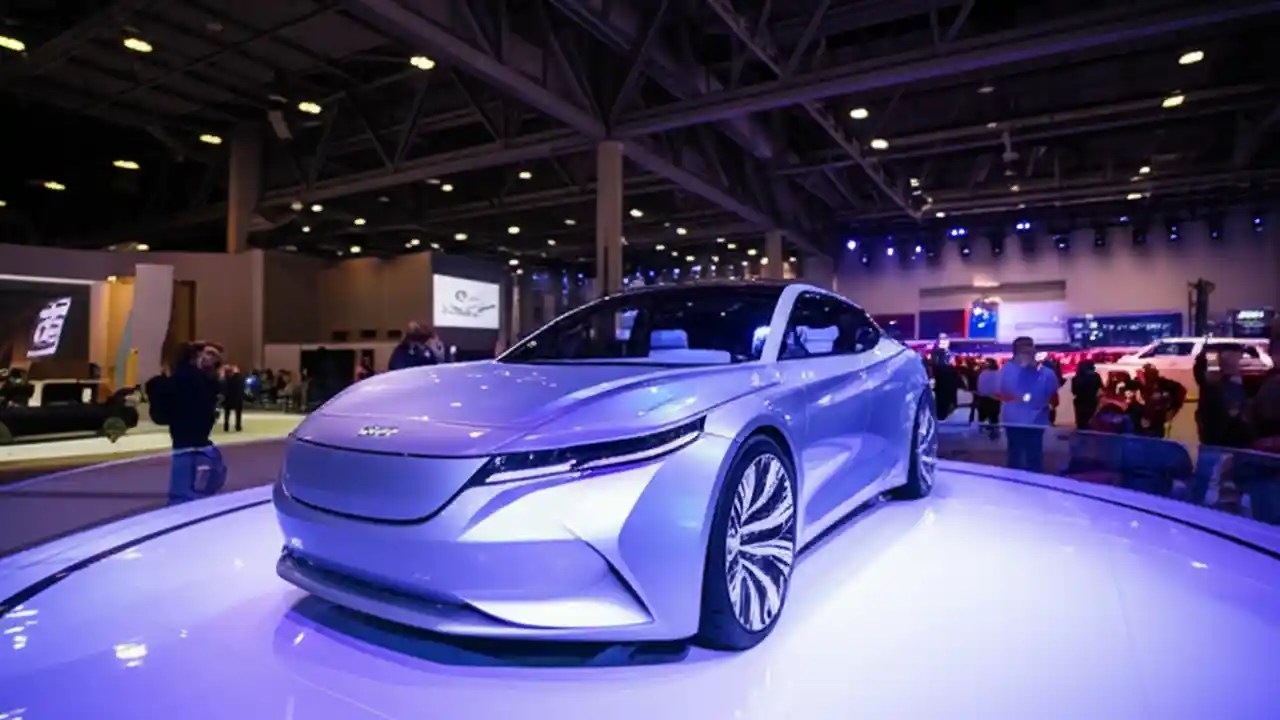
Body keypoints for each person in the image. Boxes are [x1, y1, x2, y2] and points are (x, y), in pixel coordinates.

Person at [161, 342, 225, 504]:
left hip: (191, 433)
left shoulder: (195, 375)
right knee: (186, 473)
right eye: (204, 354)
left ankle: (184, 499)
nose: (206, 358)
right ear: (195, 357)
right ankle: (181, 503)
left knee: (193, 470)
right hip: (190, 434)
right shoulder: (189, 377)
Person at [996, 336, 1061, 473]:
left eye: (1029, 348)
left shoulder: (1046, 374)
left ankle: (1025, 484)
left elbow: (1054, 398)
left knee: (1028, 456)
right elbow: (1054, 399)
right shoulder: (1006, 372)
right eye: (1024, 349)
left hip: (1029, 422)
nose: (1028, 352)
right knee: (1021, 456)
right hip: (1020, 422)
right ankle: (1018, 484)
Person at [1135, 364, 1186, 438]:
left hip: (1158, 421)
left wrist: (1174, 408)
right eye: (1147, 374)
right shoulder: (1138, 384)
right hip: (1142, 422)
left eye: (1152, 373)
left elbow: (1180, 391)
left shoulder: (1164, 384)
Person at [1071, 360, 1103, 430]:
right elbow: (1100, 389)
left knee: (1081, 423)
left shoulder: (1075, 378)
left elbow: (1074, 392)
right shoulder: (1096, 376)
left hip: (1080, 402)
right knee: (1091, 422)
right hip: (1092, 401)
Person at [930, 349, 961, 420]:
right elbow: (958, 384)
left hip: (940, 399)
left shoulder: (934, 369)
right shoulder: (950, 370)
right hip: (945, 399)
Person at [975, 358, 1001, 429]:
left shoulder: (983, 374)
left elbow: (979, 386)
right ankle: (994, 431)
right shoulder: (999, 374)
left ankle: (981, 430)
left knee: (982, 416)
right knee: (994, 417)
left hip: (984, 398)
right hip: (995, 398)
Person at [221, 364, 245, 433]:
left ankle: (226, 427)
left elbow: (223, 387)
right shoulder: (239, 378)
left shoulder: (226, 379)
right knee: (238, 413)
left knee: (227, 413)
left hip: (229, 398)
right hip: (237, 398)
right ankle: (238, 426)